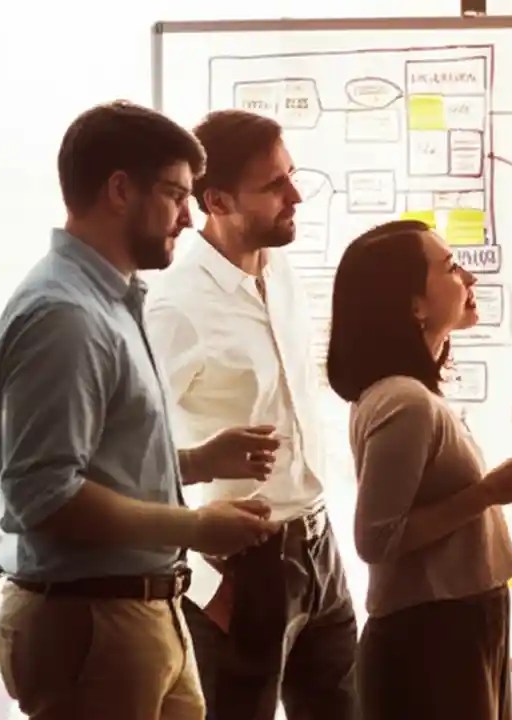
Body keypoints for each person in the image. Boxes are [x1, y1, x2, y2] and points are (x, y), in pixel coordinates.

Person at [0, 100, 283, 719]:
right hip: (93, 624)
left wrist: (198, 462)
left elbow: (98, 461)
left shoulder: (110, 300)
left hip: (139, 615)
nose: (187, 216)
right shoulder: (64, 316)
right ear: (119, 190)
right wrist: (198, 529)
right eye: (177, 195)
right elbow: (45, 496)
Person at [143, 109, 358, 720]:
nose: (295, 196)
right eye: (274, 186)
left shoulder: (284, 272)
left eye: (292, 177)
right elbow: (131, 458)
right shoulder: (175, 308)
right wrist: (204, 585)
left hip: (319, 548)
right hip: (239, 566)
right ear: (216, 199)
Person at [326, 219, 512, 719]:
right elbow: (376, 540)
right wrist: (489, 492)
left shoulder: (415, 393)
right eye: (451, 268)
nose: (469, 280)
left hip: (461, 627)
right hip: (432, 640)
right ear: (413, 304)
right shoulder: (405, 402)